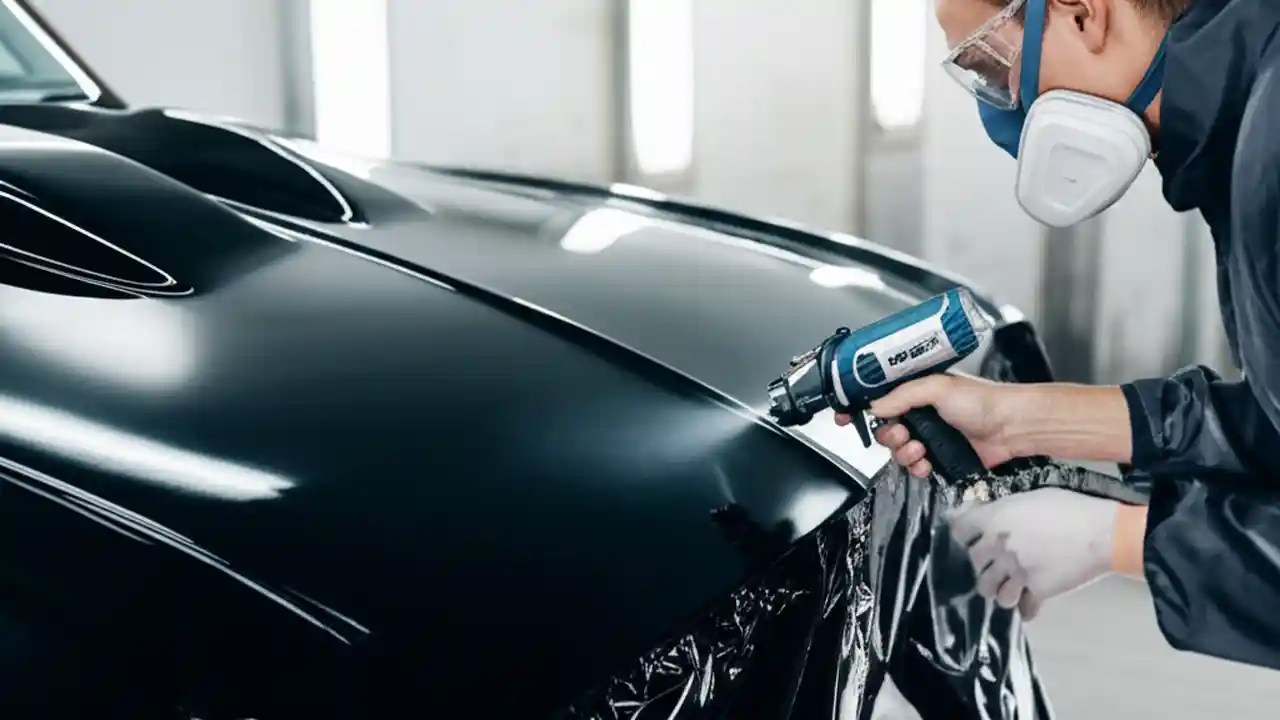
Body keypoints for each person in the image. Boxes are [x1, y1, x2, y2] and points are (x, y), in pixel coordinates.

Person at [843, 0, 1280, 671]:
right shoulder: (1247, 126)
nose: (1001, 113)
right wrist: (1018, 422)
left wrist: (1121, 538)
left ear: (1081, 14)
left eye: (992, 66)